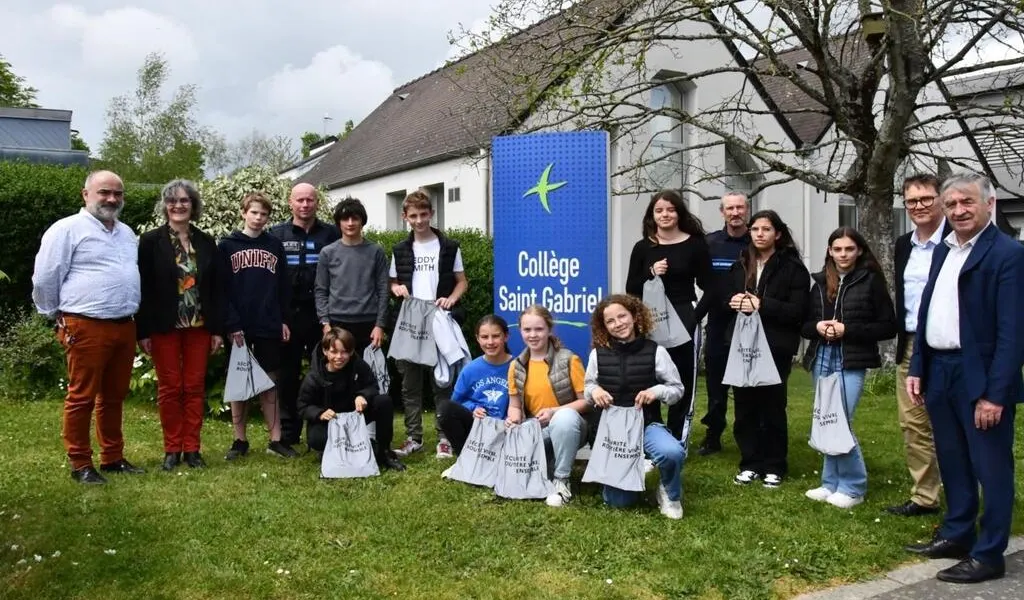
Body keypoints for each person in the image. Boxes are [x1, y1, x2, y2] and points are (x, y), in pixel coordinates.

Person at [904, 172, 1024, 584]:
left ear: (989, 204)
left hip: (981, 375)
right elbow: (926, 313)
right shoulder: (942, 250)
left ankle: (989, 553)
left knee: (990, 466)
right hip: (939, 369)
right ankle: (957, 533)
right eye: (951, 204)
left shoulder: (1007, 254)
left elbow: (1013, 333)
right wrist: (918, 364)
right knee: (952, 459)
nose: (958, 211)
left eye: (966, 203)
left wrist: (996, 394)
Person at [31, 170, 145, 484]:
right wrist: (54, 314)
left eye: (117, 194)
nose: (112, 199)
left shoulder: (125, 232)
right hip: (85, 324)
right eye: (104, 192)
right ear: (86, 195)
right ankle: (80, 462)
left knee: (114, 396)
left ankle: (112, 457)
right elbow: (45, 278)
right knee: (82, 396)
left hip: (124, 325)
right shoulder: (67, 229)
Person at [802, 227, 897, 508]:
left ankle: (853, 486)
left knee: (841, 421)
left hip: (851, 360)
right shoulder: (819, 283)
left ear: (859, 251)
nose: (843, 255)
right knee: (827, 419)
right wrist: (818, 327)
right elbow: (805, 325)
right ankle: (830, 483)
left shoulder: (871, 281)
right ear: (830, 251)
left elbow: (888, 326)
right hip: (821, 357)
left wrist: (848, 330)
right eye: (838, 249)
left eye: (849, 249)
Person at [137, 179, 224, 471]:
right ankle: (172, 448)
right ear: (165, 206)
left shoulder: (205, 241)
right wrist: (143, 331)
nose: (178, 205)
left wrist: (217, 330)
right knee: (170, 388)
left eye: (184, 200)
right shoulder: (150, 242)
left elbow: (214, 289)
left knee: (195, 387)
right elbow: (144, 288)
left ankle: (193, 449)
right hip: (164, 326)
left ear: (193, 205)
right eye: (172, 201)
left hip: (199, 325)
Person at [725, 210, 809, 488]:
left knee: (772, 406)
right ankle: (750, 462)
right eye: (755, 229)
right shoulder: (740, 263)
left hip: (775, 346)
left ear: (778, 234)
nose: (760, 234)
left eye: (766, 229)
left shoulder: (793, 267)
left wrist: (762, 304)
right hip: (742, 345)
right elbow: (726, 297)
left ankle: (774, 465)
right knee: (744, 407)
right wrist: (735, 300)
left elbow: (798, 311)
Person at [584, 295, 686, 519]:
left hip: (646, 422)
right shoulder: (597, 355)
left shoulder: (656, 351)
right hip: (613, 432)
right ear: (604, 326)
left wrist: (656, 391)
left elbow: (677, 389)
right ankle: (630, 468)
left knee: (672, 452)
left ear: (635, 316)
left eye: (622, 316)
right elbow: (588, 386)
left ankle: (669, 492)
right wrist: (595, 391)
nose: (618, 323)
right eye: (610, 321)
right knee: (618, 502)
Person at [625, 189, 712, 440]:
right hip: (650, 319)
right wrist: (650, 272)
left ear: (679, 213)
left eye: (671, 209)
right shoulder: (643, 248)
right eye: (659, 210)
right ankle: (653, 437)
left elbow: (712, 286)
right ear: (652, 216)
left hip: (684, 317)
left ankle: (677, 440)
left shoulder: (695, 245)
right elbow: (632, 288)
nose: (665, 214)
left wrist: (695, 316)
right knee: (647, 376)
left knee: (682, 379)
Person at [389, 189, 469, 459]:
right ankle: (414, 437)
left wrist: (451, 299)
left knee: (442, 381)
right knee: (410, 383)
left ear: (432, 214)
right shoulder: (400, 249)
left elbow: (462, 281)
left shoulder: (448, 246)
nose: (419, 220)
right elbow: (392, 281)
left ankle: (444, 438)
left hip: (439, 318)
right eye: (414, 216)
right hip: (411, 319)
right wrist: (397, 288)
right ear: (405, 217)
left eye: (424, 214)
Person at [219, 192, 296, 460]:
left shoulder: (274, 245)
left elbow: (283, 287)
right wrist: (231, 323)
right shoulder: (227, 245)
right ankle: (239, 439)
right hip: (239, 326)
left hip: (268, 323)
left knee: (270, 382)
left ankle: (275, 439)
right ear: (243, 213)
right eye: (254, 212)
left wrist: (284, 319)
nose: (258, 218)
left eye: (263, 214)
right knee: (238, 382)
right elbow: (222, 289)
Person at [887, 174, 947, 517]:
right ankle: (925, 496)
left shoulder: (956, 239)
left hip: (946, 343)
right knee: (912, 422)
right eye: (912, 201)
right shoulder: (903, 244)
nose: (919, 206)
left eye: (926, 199)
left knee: (949, 421)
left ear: (939, 199)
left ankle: (963, 490)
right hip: (910, 342)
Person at [269, 183, 339, 449]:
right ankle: (288, 432)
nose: (305, 205)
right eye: (300, 200)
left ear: (317, 203)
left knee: (322, 372)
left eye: (310, 200)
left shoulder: (331, 234)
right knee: (286, 376)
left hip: (320, 314)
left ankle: (320, 428)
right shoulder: (277, 234)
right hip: (288, 315)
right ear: (290, 203)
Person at [506, 305, 591, 508]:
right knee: (523, 470)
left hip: (571, 428)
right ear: (520, 331)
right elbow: (515, 406)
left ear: (549, 330)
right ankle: (547, 469)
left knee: (564, 418)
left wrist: (554, 411)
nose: (533, 335)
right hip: (536, 431)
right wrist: (513, 419)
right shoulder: (516, 365)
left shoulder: (569, 359)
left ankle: (561, 481)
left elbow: (586, 401)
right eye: (527, 330)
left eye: (539, 329)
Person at [296, 327, 405, 471]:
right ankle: (333, 451)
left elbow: (373, 386)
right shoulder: (313, 376)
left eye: (344, 352)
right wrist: (319, 413)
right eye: (334, 352)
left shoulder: (358, 365)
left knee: (383, 401)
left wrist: (363, 396)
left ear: (351, 351)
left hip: (356, 416)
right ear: (325, 351)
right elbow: (302, 406)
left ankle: (385, 452)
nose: (339, 357)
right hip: (329, 421)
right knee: (317, 439)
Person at [694, 191, 751, 455]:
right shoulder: (711, 243)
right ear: (722, 212)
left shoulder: (757, 241)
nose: (735, 213)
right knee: (716, 383)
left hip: (750, 322)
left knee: (746, 385)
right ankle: (713, 435)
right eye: (730, 208)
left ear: (747, 210)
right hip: (717, 322)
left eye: (740, 207)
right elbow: (702, 281)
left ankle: (747, 436)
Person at [314, 198, 389, 355]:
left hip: (368, 323)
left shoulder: (376, 251)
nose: (350, 223)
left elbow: (383, 290)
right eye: (345, 219)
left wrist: (380, 325)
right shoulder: (327, 252)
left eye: (355, 218)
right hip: (337, 323)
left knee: (367, 375)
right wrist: (325, 323)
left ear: (362, 221)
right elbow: (320, 290)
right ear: (338, 222)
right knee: (338, 373)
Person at [437, 315, 515, 455]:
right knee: (445, 408)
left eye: (496, 336)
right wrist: (473, 408)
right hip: (477, 426)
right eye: (484, 337)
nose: (490, 342)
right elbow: (456, 402)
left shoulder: (517, 367)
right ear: (477, 339)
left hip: (507, 428)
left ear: (506, 337)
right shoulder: (470, 369)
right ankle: (465, 456)